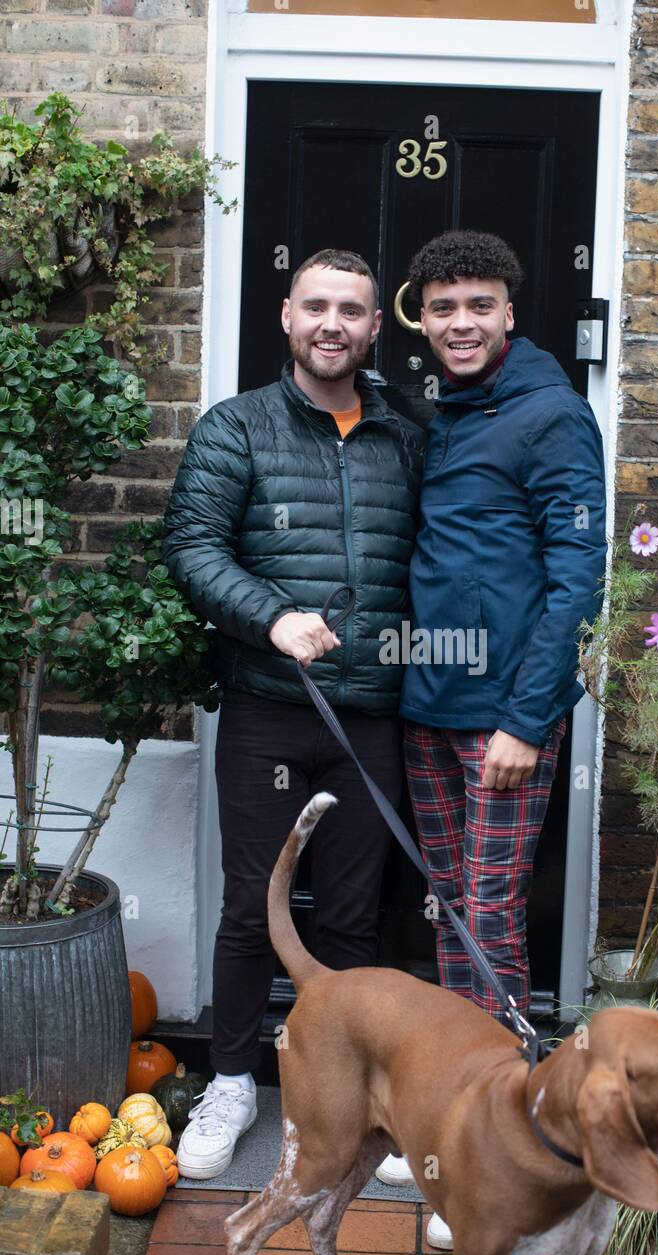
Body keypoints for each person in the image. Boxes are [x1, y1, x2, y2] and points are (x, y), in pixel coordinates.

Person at [162, 249, 423, 1179]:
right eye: (317, 306)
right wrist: (272, 616)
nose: (332, 324)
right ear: (285, 315)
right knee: (251, 907)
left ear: (372, 327)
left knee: (356, 917)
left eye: (351, 310)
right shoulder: (237, 428)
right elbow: (191, 546)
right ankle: (232, 1080)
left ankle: (348, 1094)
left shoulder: (407, 432)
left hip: (375, 718)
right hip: (271, 710)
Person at [374, 230, 608, 1250]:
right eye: (440, 307)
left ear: (510, 311)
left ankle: (501, 1140)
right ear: (417, 319)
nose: (458, 322)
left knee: (490, 917)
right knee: (448, 913)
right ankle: (446, 1118)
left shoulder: (552, 416)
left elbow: (576, 577)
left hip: (501, 718)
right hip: (429, 704)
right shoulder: (447, 411)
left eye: (477, 304)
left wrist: (528, 715)